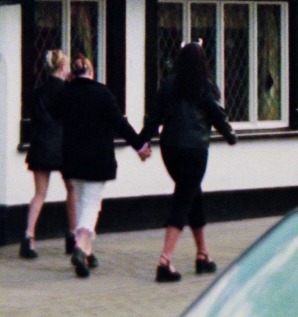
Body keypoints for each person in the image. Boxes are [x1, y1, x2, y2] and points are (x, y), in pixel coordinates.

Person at [139, 42, 237, 283]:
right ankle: (165, 260)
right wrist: (230, 135)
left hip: (170, 149)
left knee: (194, 195)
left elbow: (155, 116)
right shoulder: (204, 86)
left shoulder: (169, 84)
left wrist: (142, 142)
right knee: (184, 198)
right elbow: (217, 114)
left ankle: (203, 256)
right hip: (195, 150)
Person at [51, 55, 150, 278]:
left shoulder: (66, 94)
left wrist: (65, 83)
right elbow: (120, 124)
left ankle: (86, 254)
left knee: (80, 201)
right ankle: (80, 245)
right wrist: (140, 146)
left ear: (72, 74)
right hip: (97, 159)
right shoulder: (103, 93)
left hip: (72, 159)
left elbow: (53, 111)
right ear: (92, 72)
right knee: (91, 204)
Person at [20, 49, 77, 260]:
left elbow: (35, 117)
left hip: (42, 144)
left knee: (40, 193)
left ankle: (28, 237)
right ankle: (72, 237)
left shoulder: (39, 90)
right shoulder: (66, 91)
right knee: (71, 189)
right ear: (63, 67)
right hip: (63, 145)